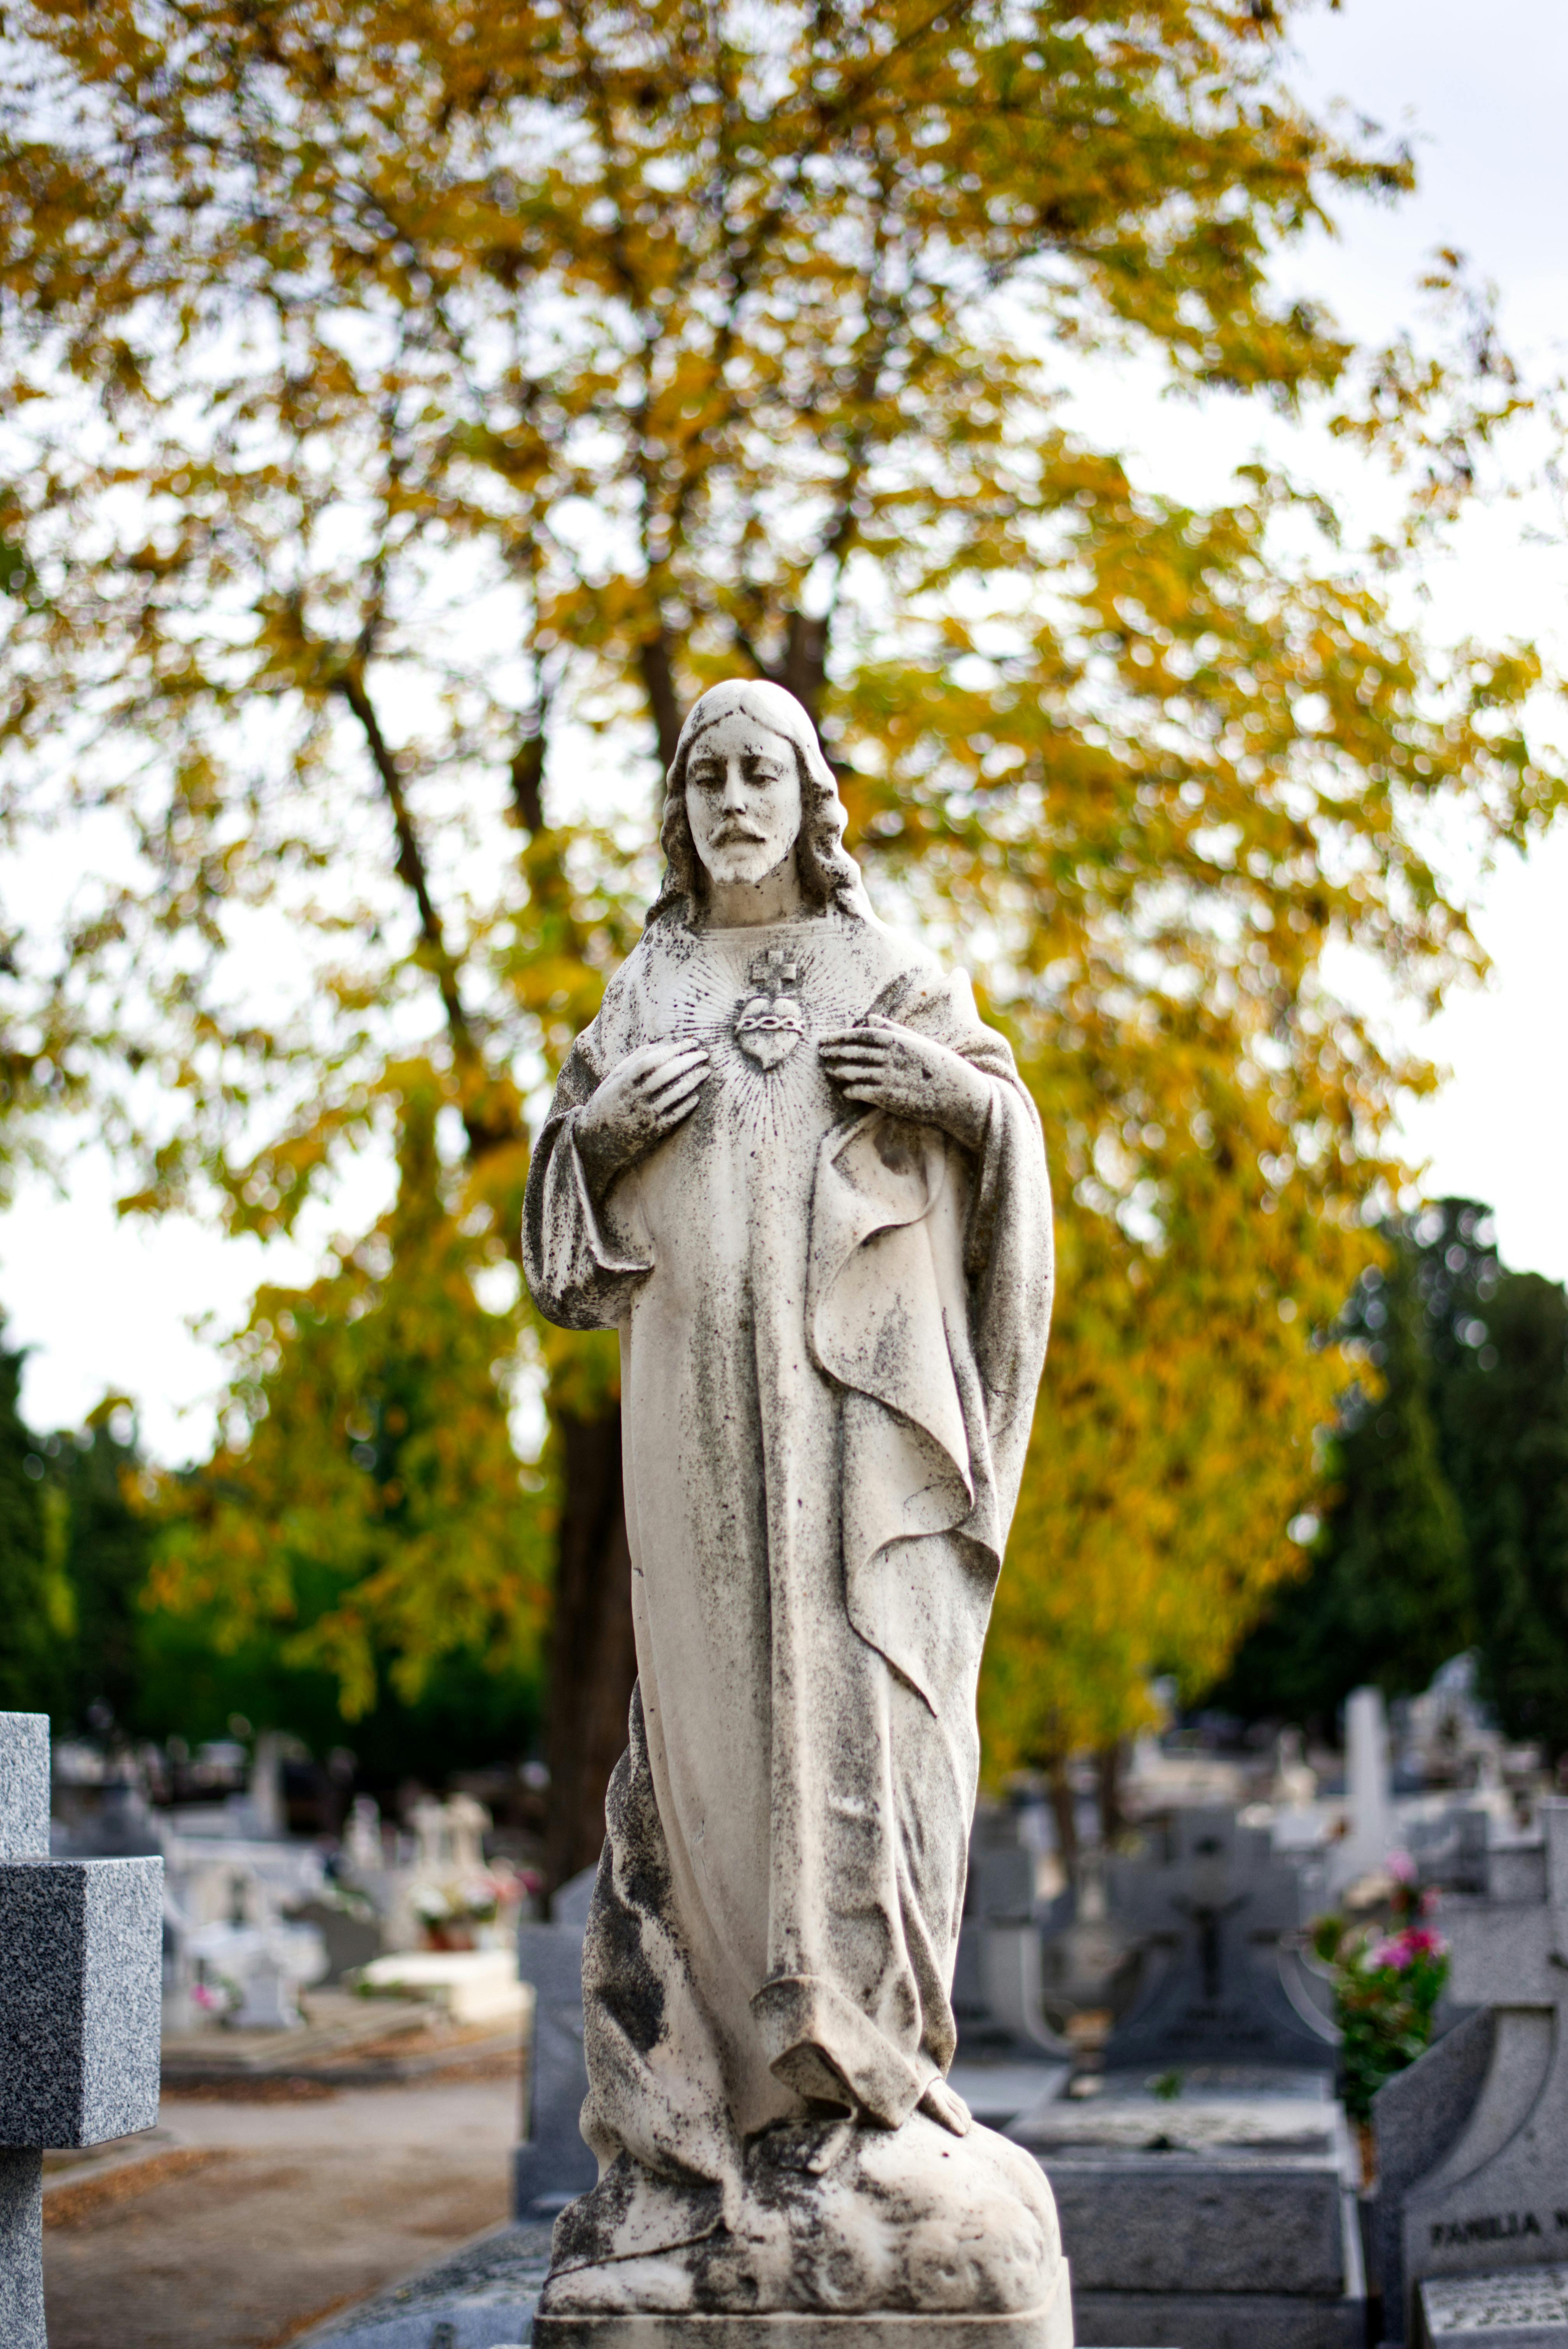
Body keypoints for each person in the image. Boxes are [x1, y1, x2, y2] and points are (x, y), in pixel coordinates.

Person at [524, 679, 1061, 2326]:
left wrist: (955, 1103)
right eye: (706, 775)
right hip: (691, 1442)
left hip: (853, 1452)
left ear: (810, 797)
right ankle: (719, 2119)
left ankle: (862, 2089)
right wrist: (591, 1140)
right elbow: (560, 1260)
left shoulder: (890, 973)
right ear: (678, 809)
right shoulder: (644, 989)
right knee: (703, 1755)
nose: (734, 799)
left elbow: (1009, 1145)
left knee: (871, 1731)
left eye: (762, 771)